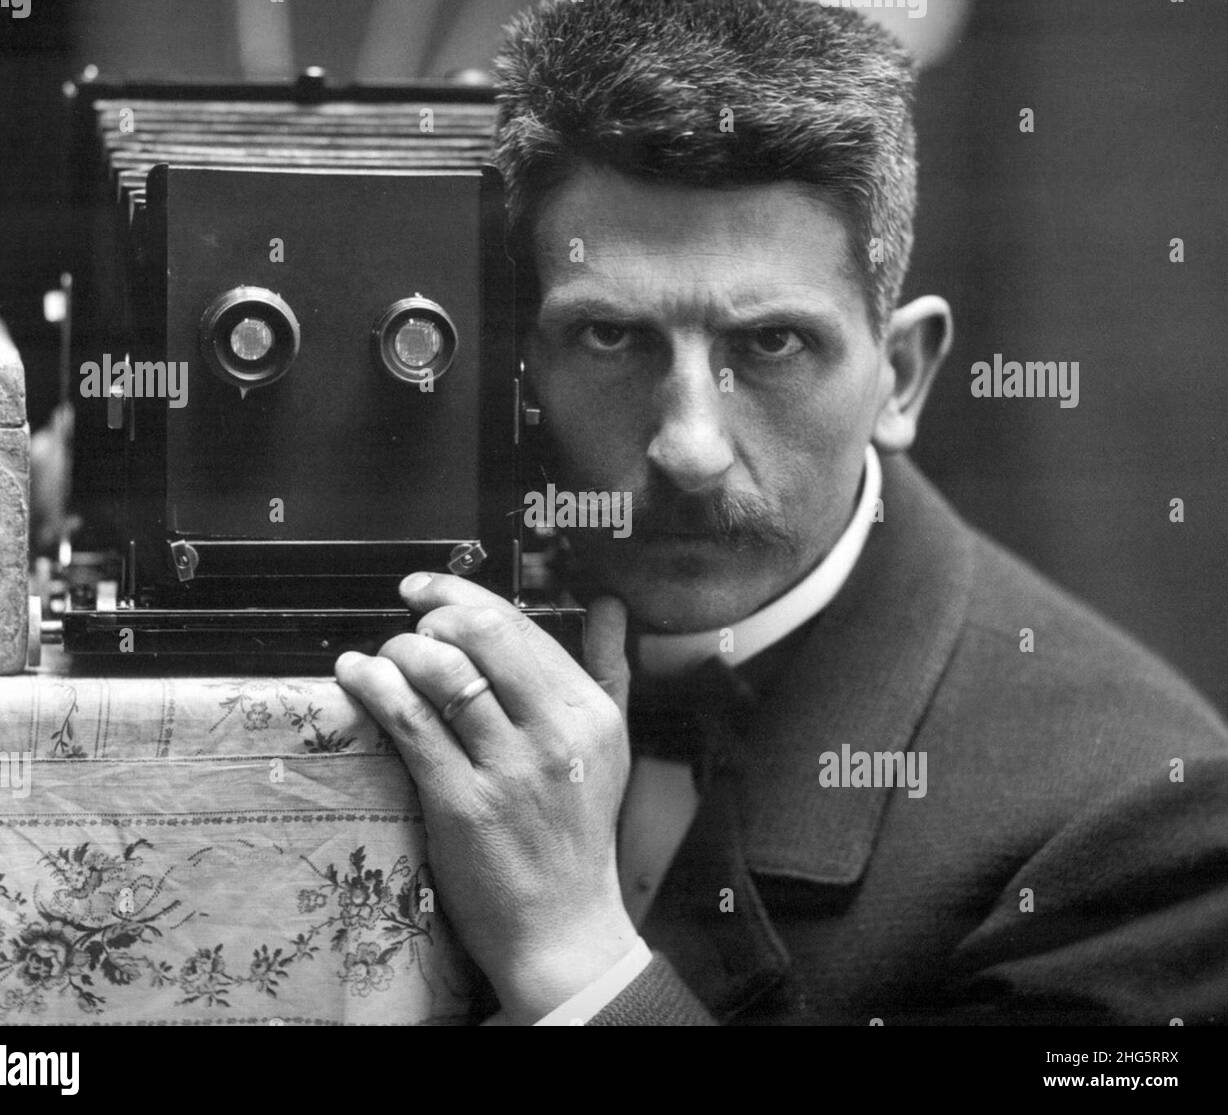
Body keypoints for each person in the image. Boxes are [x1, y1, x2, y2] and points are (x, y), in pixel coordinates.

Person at [334, 0, 1228, 1025]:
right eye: (611, 340)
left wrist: (576, 961)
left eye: (770, 347)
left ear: (901, 375)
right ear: (516, 362)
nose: (690, 448)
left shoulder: (1135, 822)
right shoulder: (355, 659)